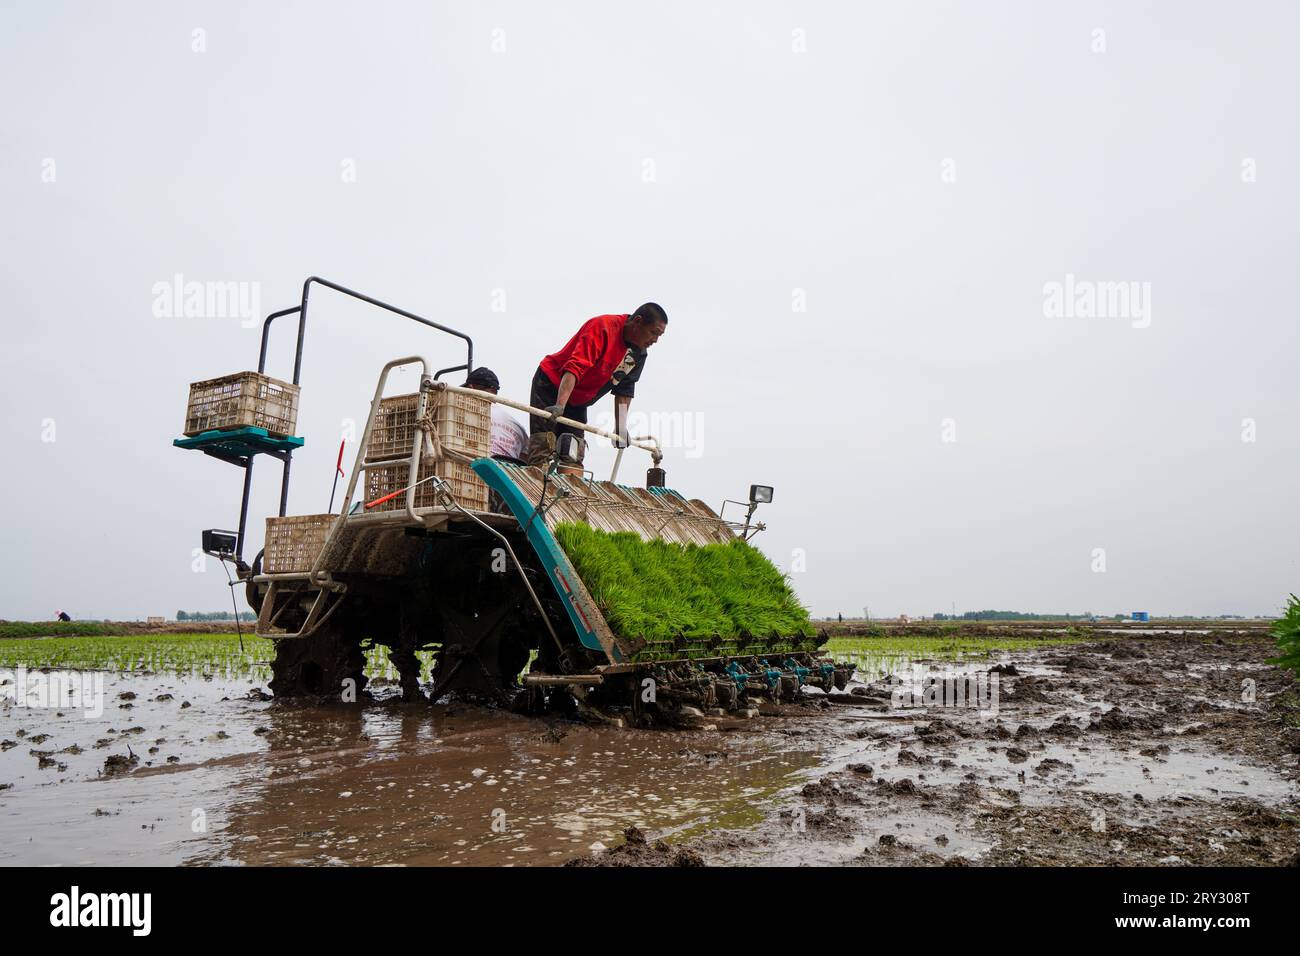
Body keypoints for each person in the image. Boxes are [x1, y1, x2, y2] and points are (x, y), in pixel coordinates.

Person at [526, 303, 668, 466]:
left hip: (578, 400)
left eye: (659, 336)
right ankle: (537, 483)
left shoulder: (638, 354)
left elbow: (624, 391)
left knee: (573, 454)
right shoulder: (603, 328)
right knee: (544, 444)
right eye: (653, 333)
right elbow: (575, 367)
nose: (655, 340)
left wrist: (621, 427)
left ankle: (569, 490)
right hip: (552, 385)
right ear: (637, 321)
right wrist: (559, 405)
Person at [462, 367, 528, 460]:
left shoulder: (464, 413)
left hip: (476, 469)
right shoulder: (518, 427)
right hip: (508, 473)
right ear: (495, 392)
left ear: (470, 388)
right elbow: (525, 461)